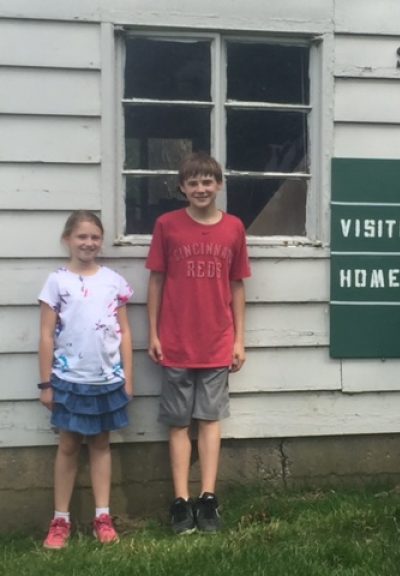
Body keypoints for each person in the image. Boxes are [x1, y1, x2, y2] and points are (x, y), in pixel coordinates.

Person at [146, 152, 250, 534]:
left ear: (219, 185)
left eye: (207, 181)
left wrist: (239, 339)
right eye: (193, 183)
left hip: (217, 341)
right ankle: (180, 501)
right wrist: (153, 333)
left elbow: (237, 286)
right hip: (175, 340)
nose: (201, 189)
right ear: (182, 189)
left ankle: (208, 499)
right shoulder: (167, 226)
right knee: (177, 423)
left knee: (208, 419)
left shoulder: (234, 228)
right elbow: (155, 280)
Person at [38, 210, 134, 549]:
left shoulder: (113, 281)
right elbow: (47, 335)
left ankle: (102, 517)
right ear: (67, 240)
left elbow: (124, 332)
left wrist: (128, 378)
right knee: (67, 446)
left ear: (101, 240)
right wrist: (46, 383)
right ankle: (60, 520)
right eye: (81, 237)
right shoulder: (57, 282)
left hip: (106, 380)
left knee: (101, 445)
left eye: (94, 237)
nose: (88, 243)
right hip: (68, 380)